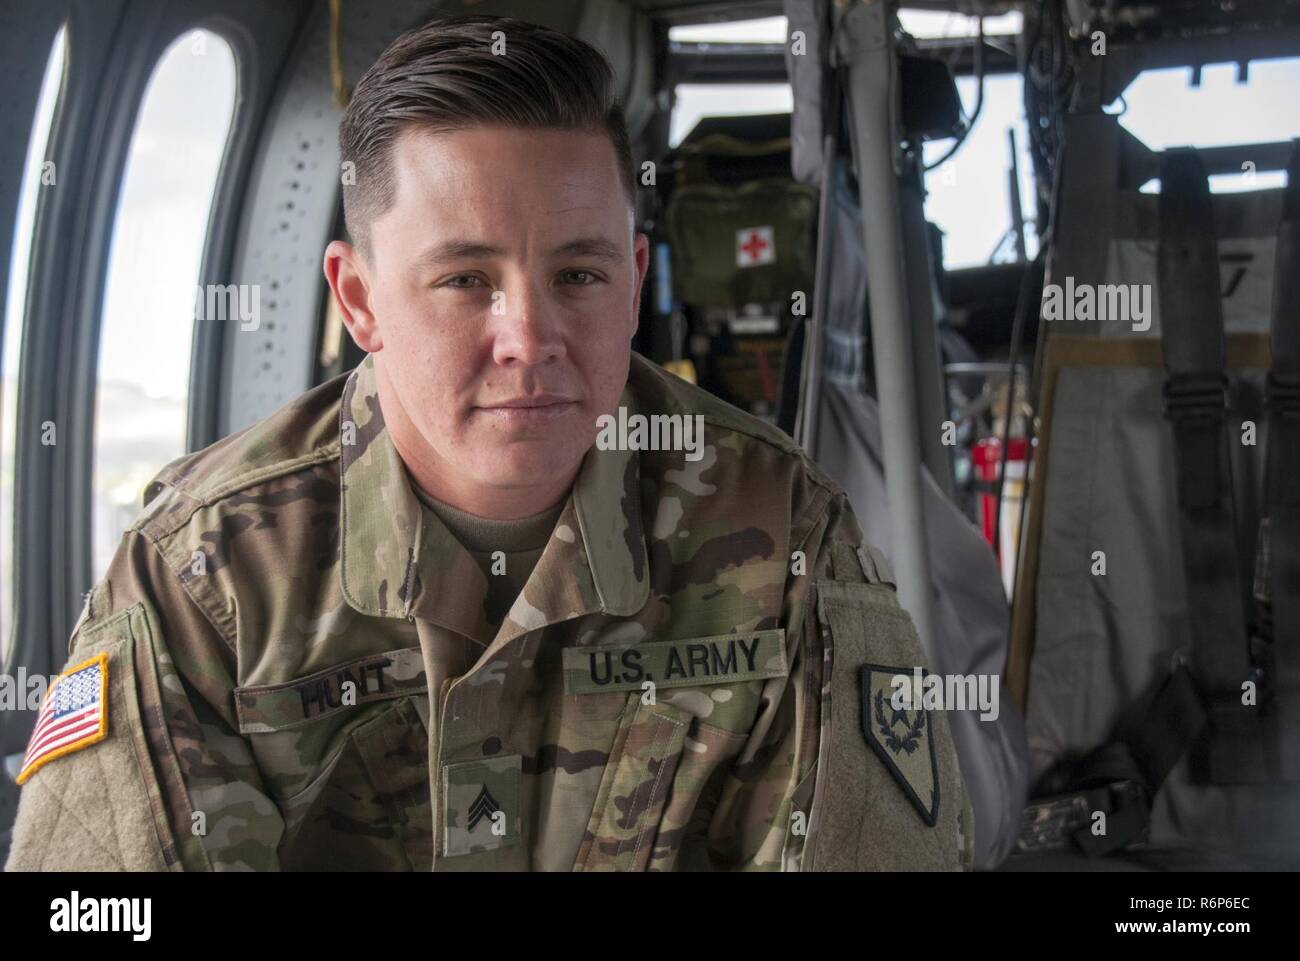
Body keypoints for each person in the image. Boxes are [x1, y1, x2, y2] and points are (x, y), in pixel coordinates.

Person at [6, 14, 970, 871]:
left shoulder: (787, 535)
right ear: (360, 300)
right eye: (466, 279)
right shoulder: (205, 579)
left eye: (579, 275)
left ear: (635, 283)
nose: (530, 335)